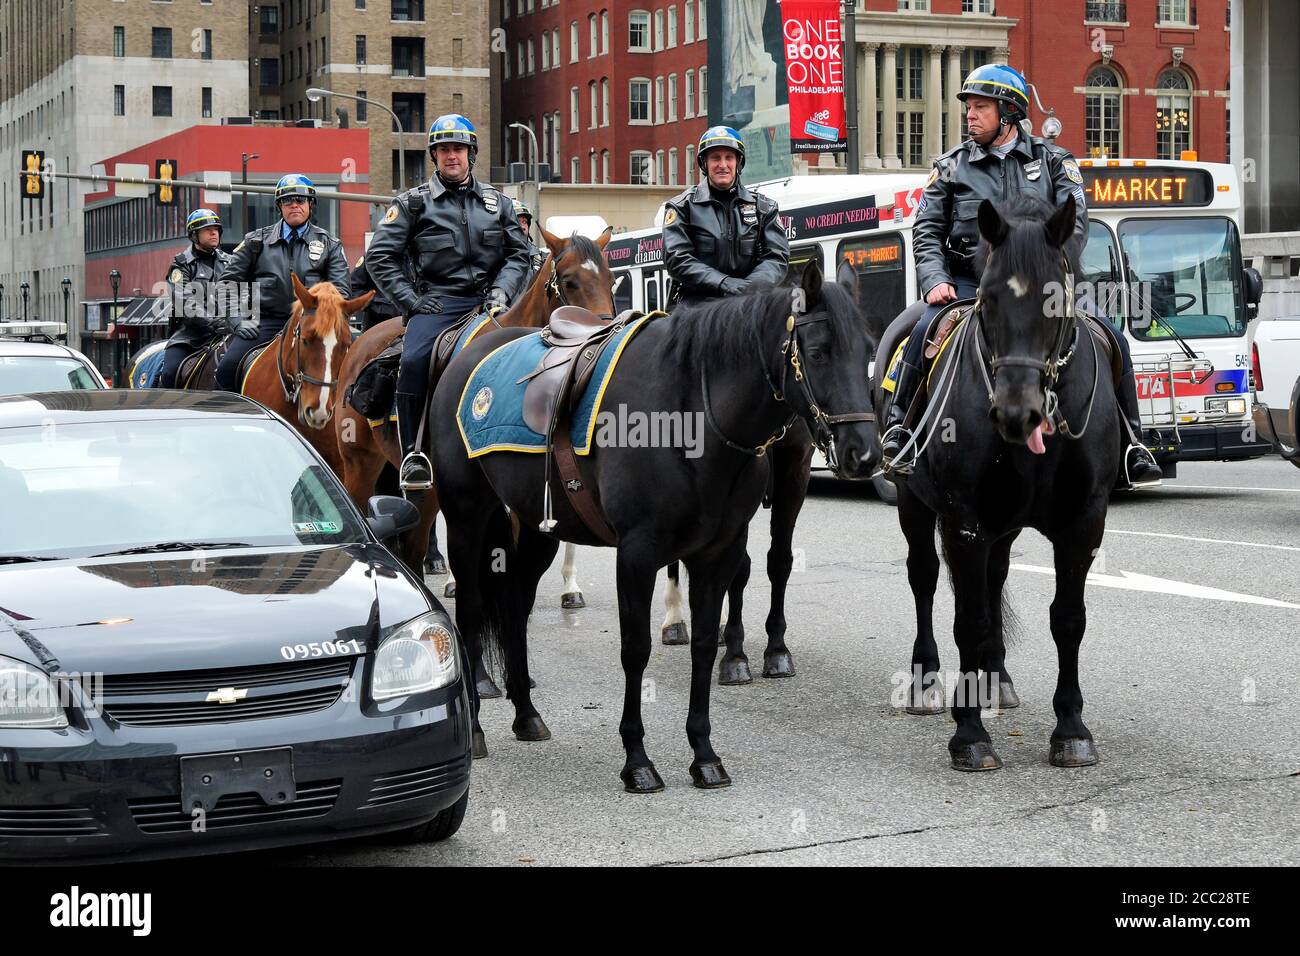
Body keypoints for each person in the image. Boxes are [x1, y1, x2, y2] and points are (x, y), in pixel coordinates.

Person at [880, 64, 1162, 487]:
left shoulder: (1054, 161)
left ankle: (1132, 441)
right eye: (968, 108)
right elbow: (926, 231)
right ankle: (901, 427)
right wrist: (934, 279)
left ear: (1008, 113)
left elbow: (1076, 222)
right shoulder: (951, 167)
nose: (970, 115)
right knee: (921, 332)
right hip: (971, 284)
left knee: (1113, 338)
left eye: (980, 107)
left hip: (1045, 285)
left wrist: (1054, 269)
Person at [366, 113, 531, 490]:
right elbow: (379, 257)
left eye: (458, 148)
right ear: (434, 156)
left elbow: (519, 254)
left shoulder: (499, 203)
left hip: (492, 303)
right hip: (439, 304)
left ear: (470, 154)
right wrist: (411, 301)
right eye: (443, 150)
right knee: (413, 359)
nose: (451, 155)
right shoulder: (412, 204)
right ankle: (413, 453)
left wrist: (503, 291)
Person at [215, 174, 350, 392]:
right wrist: (236, 320)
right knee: (226, 369)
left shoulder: (330, 244)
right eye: (288, 201)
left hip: (314, 324)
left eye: (300, 200)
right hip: (265, 322)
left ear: (311, 204)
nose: (294, 205)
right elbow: (226, 284)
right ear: (279, 206)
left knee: (359, 364)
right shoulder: (255, 241)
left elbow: (342, 290)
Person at [663, 126, 789, 310]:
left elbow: (777, 258)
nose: (723, 165)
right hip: (696, 309)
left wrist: (749, 288)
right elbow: (677, 258)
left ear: (738, 162)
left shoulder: (764, 208)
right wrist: (723, 283)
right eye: (715, 158)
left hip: (750, 305)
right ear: (704, 163)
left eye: (729, 157)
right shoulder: (682, 207)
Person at [156, 209, 231, 388]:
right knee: (170, 373)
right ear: (194, 235)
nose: (214, 233)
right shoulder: (181, 264)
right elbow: (184, 301)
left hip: (227, 332)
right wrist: (213, 322)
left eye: (216, 229)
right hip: (190, 337)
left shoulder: (230, 261)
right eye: (208, 229)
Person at [514, 199, 546, 286]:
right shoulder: (493, 257)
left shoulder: (541, 258)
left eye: (524, 222)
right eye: (517, 222)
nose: (523, 227)